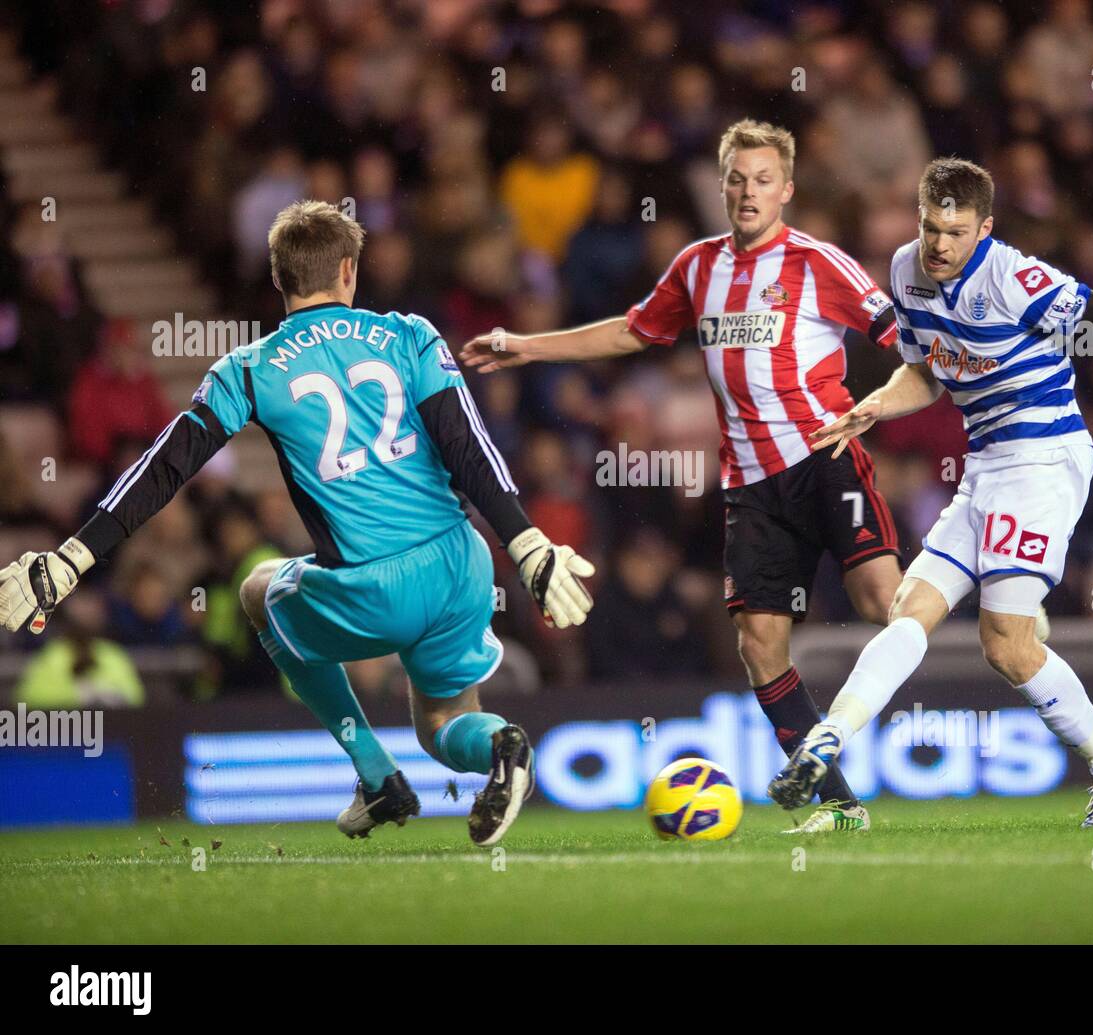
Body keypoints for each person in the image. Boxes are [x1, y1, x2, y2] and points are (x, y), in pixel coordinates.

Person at [0, 201, 595, 847]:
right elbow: (466, 444)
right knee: (446, 723)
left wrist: (72, 557)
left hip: (370, 590)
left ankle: (373, 773)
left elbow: (166, 466)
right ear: (349, 271)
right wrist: (527, 543)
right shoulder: (409, 333)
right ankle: (502, 745)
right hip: (460, 562)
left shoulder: (250, 368)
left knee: (258, 588)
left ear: (279, 279)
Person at [461, 119, 902, 834]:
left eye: (763, 179)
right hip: (752, 484)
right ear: (722, 186)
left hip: (824, 456)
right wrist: (527, 347)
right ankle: (839, 804)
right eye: (737, 178)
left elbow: (905, 336)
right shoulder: (698, 266)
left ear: (786, 190)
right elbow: (634, 330)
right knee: (759, 644)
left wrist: (884, 405)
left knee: (885, 597)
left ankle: (986, 621)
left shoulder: (820, 264)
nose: (748, 191)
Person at [769, 158, 1093, 828]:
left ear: (984, 228)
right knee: (909, 607)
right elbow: (925, 372)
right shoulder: (904, 270)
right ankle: (829, 736)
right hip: (986, 462)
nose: (940, 245)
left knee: (1005, 643)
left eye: (956, 232)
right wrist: (872, 407)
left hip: (1044, 457)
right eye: (931, 228)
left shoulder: (1016, 279)